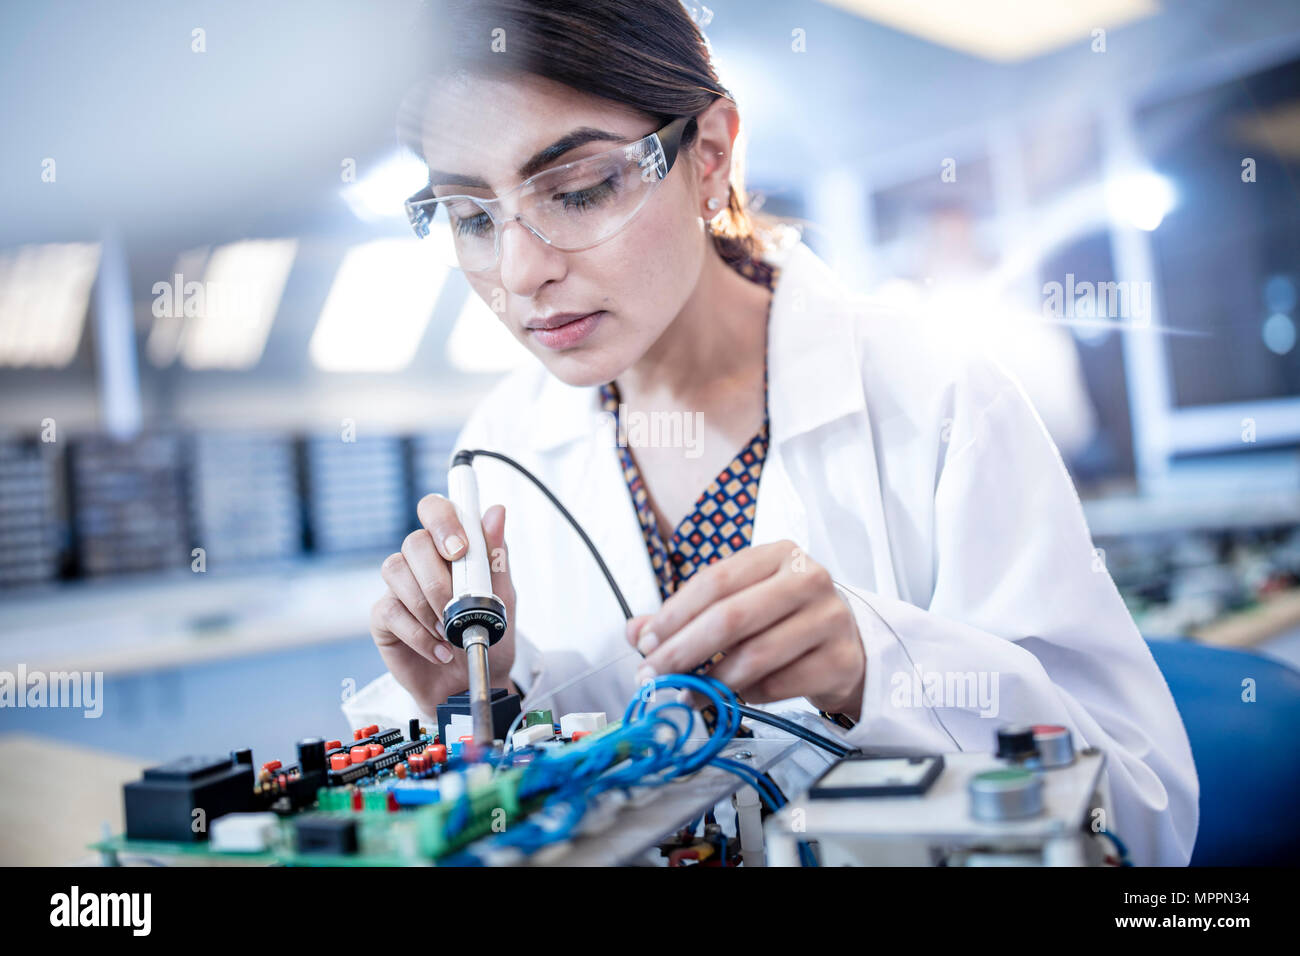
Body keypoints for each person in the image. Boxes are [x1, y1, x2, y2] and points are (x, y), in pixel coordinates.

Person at [342, 0, 1197, 866]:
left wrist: (874, 670)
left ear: (708, 154)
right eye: (472, 217)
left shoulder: (939, 393)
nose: (520, 272)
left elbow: (1141, 815)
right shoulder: (501, 449)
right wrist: (480, 705)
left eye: (578, 190)